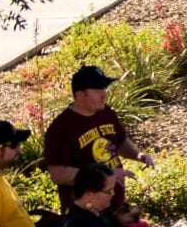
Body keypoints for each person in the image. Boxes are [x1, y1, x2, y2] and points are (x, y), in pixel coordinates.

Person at [43, 64, 151, 193]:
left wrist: (138, 155)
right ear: (80, 95)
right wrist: (102, 177)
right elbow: (58, 173)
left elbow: (120, 141)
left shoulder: (106, 112)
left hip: (114, 200)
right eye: (97, 90)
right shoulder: (60, 128)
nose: (104, 94)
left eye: (104, 88)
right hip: (86, 203)